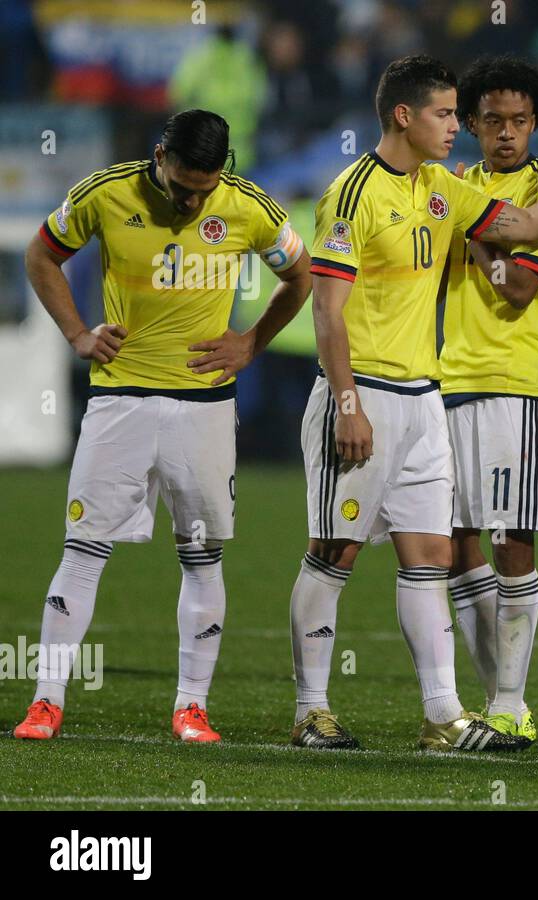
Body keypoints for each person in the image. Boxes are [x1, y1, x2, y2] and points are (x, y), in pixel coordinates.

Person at [288, 54, 538, 751]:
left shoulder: (443, 188)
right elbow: (329, 311)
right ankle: (311, 709)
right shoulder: (351, 192)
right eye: (445, 114)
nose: (457, 127)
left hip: (425, 399)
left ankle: (442, 714)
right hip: (361, 392)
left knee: (429, 556)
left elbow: (526, 225)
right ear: (404, 115)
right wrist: (346, 404)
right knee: (334, 551)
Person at [14, 109, 311, 743]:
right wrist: (75, 331)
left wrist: (252, 342)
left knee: (202, 557)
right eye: (180, 186)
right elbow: (42, 255)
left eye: (202, 190)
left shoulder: (250, 206)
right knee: (83, 550)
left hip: (204, 407)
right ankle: (45, 701)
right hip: (119, 401)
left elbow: (300, 276)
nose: (190, 199)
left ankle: (191, 707)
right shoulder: (105, 192)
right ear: (159, 155)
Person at [441, 55, 538, 746]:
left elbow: (516, 287)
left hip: (515, 384)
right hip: (450, 380)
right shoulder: (457, 184)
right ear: (469, 124)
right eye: (493, 121)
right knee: (456, 545)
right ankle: (499, 704)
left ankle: (511, 704)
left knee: (510, 543)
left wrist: (477, 235)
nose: (507, 134)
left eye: (519, 121)